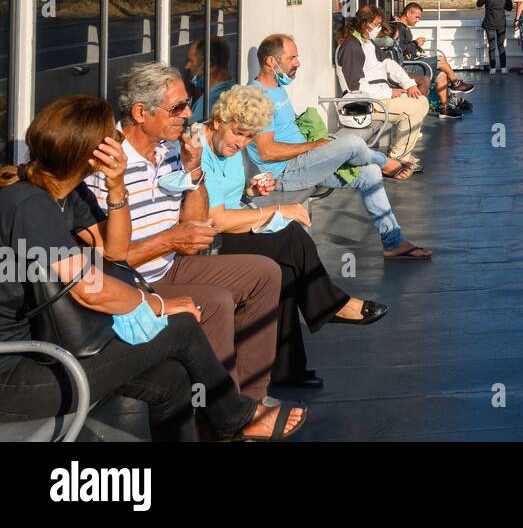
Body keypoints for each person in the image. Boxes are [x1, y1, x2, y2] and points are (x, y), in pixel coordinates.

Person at [0, 95, 305, 441]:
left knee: (171, 379)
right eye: (111, 139)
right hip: (14, 371)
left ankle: (230, 416)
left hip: (44, 350)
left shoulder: (65, 193)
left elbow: (114, 250)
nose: (118, 144)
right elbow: (89, 289)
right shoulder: (29, 204)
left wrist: (117, 186)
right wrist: (158, 305)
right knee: (181, 328)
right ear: (91, 153)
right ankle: (234, 417)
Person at [85, 62, 283, 401]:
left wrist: (193, 172)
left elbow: (194, 224)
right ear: (141, 112)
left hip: (169, 263)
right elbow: (106, 258)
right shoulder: (107, 161)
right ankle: (222, 414)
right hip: (130, 280)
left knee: (264, 273)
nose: (189, 112)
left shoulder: (171, 151)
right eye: (178, 106)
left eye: (188, 102)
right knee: (216, 300)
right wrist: (169, 240)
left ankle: (251, 398)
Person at [198, 85, 388, 389]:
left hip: (230, 227)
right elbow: (215, 218)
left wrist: (250, 191)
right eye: (238, 133)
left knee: (283, 271)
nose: (242, 142)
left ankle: (286, 369)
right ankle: (330, 304)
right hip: (206, 241)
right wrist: (276, 210)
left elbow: (228, 198)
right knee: (289, 236)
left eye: (249, 137)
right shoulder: (199, 150)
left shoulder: (228, 147)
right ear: (218, 120)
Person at [245, 33, 432, 260]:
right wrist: (315, 146)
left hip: (306, 162)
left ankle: (393, 242)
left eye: (298, 57)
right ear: (271, 62)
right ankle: (388, 164)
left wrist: (316, 145)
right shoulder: (256, 96)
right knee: (352, 142)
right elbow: (267, 151)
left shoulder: (276, 88)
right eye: (292, 58)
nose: (298, 63)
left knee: (369, 173)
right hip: (285, 173)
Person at [337, 6, 431, 164]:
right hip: (363, 104)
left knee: (420, 101)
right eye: (377, 24)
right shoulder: (352, 46)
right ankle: (398, 158)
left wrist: (408, 84)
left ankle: (397, 153)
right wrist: (388, 93)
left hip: (377, 97)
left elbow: (388, 63)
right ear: (365, 23)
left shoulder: (366, 42)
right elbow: (356, 88)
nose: (379, 28)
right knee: (413, 109)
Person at [391, 3, 475, 94]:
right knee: (440, 59)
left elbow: (404, 46)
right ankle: (456, 83)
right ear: (408, 14)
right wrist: (416, 43)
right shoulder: (398, 27)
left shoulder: (402, 27)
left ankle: (445, 106)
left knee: (442, 75)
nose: (418, 20)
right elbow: (399, 48)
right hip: (406, 66)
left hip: (412, 62)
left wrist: (416, 45)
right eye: (417, 17)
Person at [184, 36, 234, 122]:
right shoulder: (233, 88)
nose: (186, 67)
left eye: (191, 61)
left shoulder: (210, 102)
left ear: (209, 64)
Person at [476, 0, 513, 74]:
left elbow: (479, 4)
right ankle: (503, 68)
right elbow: (509, 8)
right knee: (501, 45)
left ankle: (492, 69)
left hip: (489, 23)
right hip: (501, 23)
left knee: (491, 45)